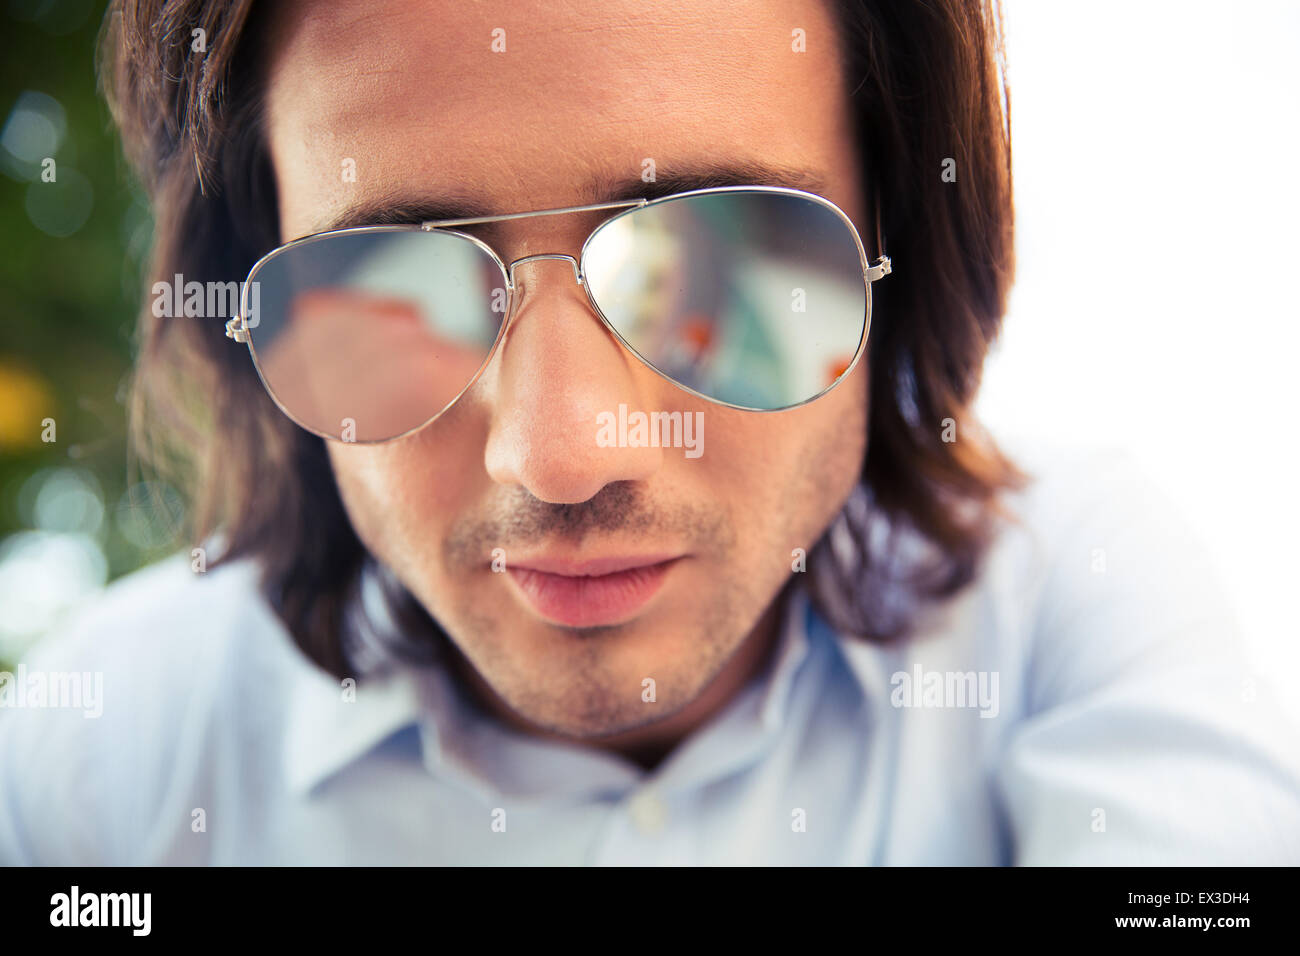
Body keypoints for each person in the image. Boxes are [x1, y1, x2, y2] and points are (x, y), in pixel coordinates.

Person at [1, 0, 1296, 865]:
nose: (560, 453)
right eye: (394, 284)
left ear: (901, 250)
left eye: (715, 261)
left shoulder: (1072, 601)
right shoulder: (100, 760)